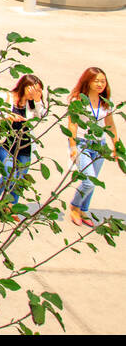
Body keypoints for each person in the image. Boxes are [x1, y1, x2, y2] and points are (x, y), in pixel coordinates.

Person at [68, 68, 118, 227]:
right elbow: (72, 125)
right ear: (88, 81)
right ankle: (75, 207)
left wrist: (116, 146)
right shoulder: (78, 99)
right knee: (88, 181)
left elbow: (110, 125)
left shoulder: (105, 101)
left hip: (100, 145)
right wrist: (73, 147)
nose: (100, 84)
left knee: (93, 180)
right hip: (83, 143)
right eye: (96, 81)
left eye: (103, 81)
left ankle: (84, 209)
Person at [0, 74, 44, 215]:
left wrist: (38, 101)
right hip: (5, 142)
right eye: (34, 90)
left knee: (20, 177)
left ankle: (10, 207)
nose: (36, 93)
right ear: (25, 86)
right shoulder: (6, 96)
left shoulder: (33, 104)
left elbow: (42, 115)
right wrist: (7, 116)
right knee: (9, 172)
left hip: (24, 145)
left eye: (40, 91)